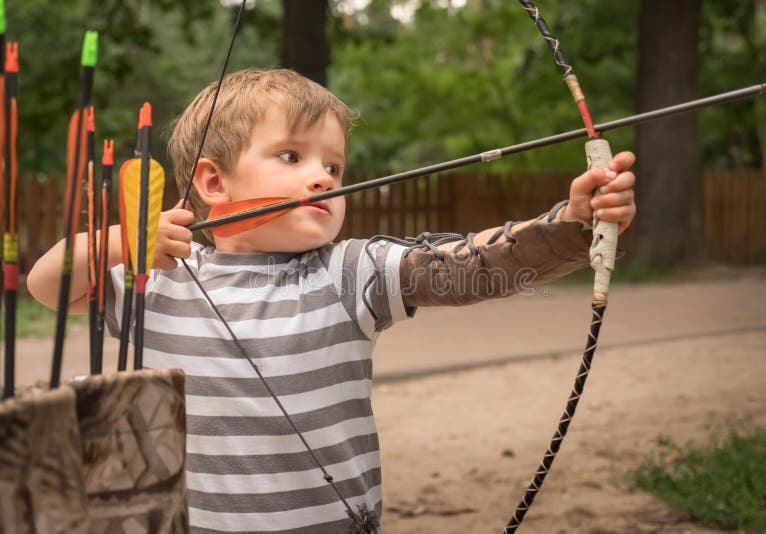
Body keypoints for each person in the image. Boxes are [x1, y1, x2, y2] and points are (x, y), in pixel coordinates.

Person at [28, 68, 636, 533]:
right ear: (214, 182)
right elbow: (45, 282)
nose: (322, 177)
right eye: (291, 157)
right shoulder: (155, 279)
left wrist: (574, 226)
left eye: (335, 167)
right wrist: (119, 241)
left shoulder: (348, 272)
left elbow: (471, 266)